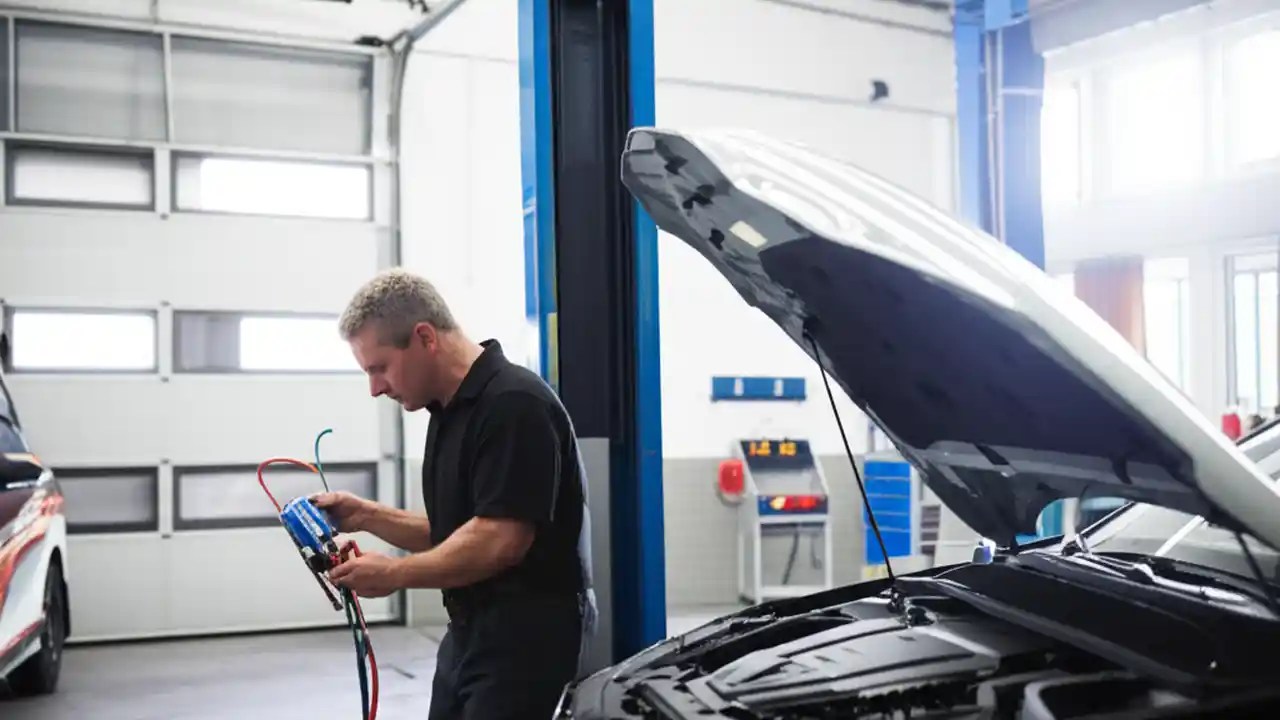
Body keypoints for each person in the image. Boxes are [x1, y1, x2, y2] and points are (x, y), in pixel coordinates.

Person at [314, 268, 591, 719]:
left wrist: (394, 575)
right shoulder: (448, 412)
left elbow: (499, 541)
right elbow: (457, 533)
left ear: (424, 337)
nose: (375, 388)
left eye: (379, 367)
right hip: (468, 632)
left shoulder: (514, 404)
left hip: (523, 641)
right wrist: (363, 514)